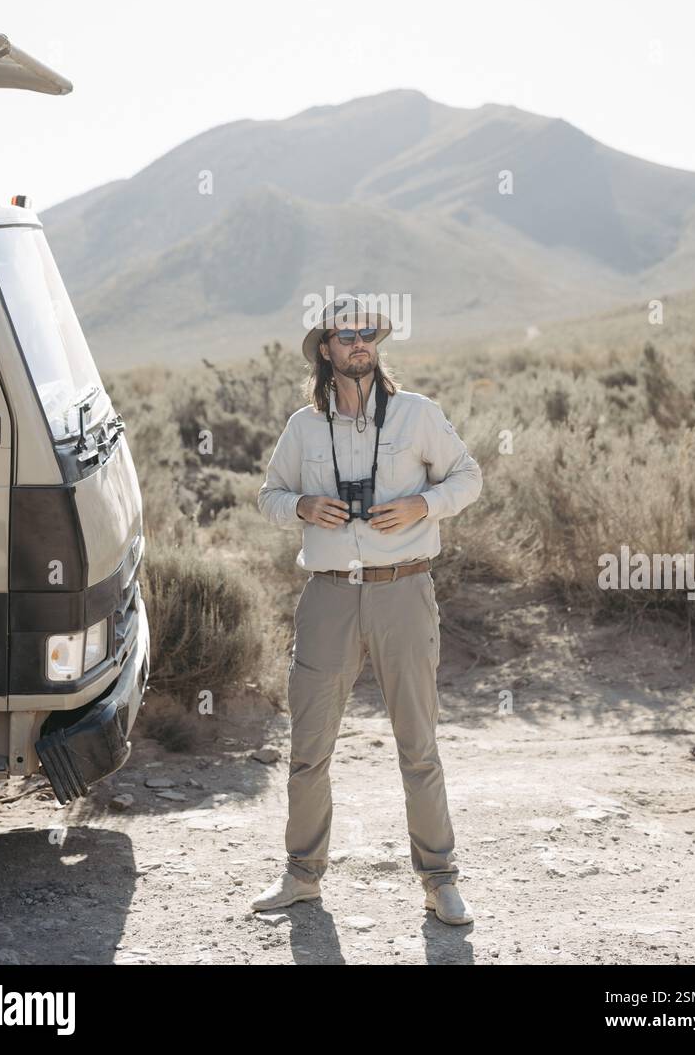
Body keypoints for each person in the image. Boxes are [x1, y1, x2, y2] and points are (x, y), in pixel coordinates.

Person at [252, 293, 483, 925]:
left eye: (368, 334)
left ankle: (440, 880)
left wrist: (424, 505)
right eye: (346, 334)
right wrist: (299, 507)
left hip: (403, 591)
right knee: (309, 749)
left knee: (418, 743)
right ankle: (301, 877)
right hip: (327, 596)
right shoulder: (303, 426)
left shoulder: (417, 414)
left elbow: (468, 476)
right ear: (326, 349)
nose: (359, 343)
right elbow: (269, 494)